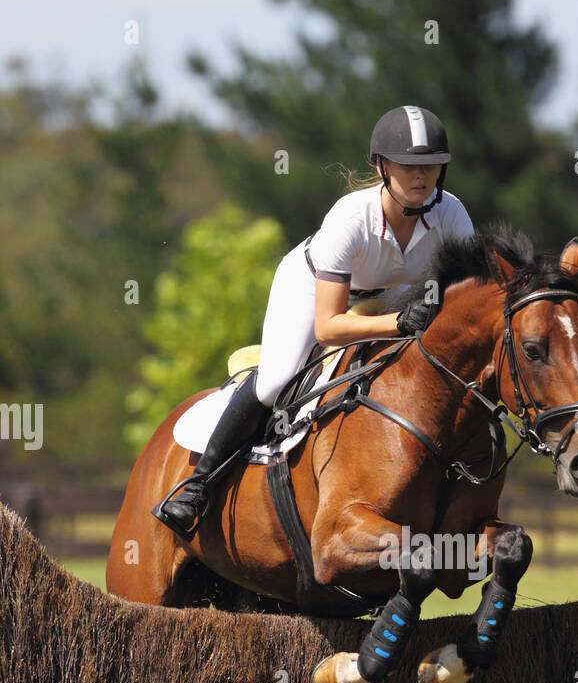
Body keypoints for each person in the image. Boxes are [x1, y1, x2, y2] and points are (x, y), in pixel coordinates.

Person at [154, 105, 475, 537]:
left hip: (396, 296)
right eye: (408, 165)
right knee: (276, 380)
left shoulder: (452, 216)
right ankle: (198, 486)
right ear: (382, 166)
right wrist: (399, 323)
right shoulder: (351, 218)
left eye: (431, 166)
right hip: (314, 290)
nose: (422, 176)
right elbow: (329, 328)